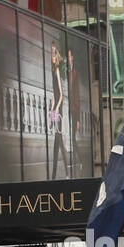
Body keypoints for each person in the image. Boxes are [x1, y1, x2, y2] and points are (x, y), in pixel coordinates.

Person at [49, 42, 69, 177]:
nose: (52, 56)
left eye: (54, 53)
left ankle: (64, 173)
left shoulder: (56, 71)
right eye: (51, 52)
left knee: (59, 140)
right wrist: (51, 111)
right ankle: (54, 175)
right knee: (57, 141)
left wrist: (55, 109)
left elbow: (61, 95)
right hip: (55, 108)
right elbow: (53, 95)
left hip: (59, 108)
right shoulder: (52, 70)